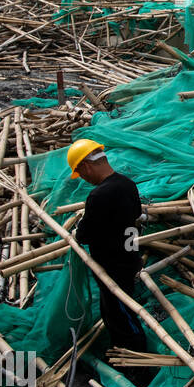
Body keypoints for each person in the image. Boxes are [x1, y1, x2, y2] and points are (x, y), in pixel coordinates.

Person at [69, 140, 148, 360]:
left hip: (113, 267)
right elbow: (133, 218)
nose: (84, 179)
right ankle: (123, 354)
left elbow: (84, 234)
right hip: (130, 257)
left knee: (121, 316)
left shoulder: (99, 195)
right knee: (115, 312)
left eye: (81, 174)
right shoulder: (127, 184)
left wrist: (78, 229)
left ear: (86, 166)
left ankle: (136, 361)